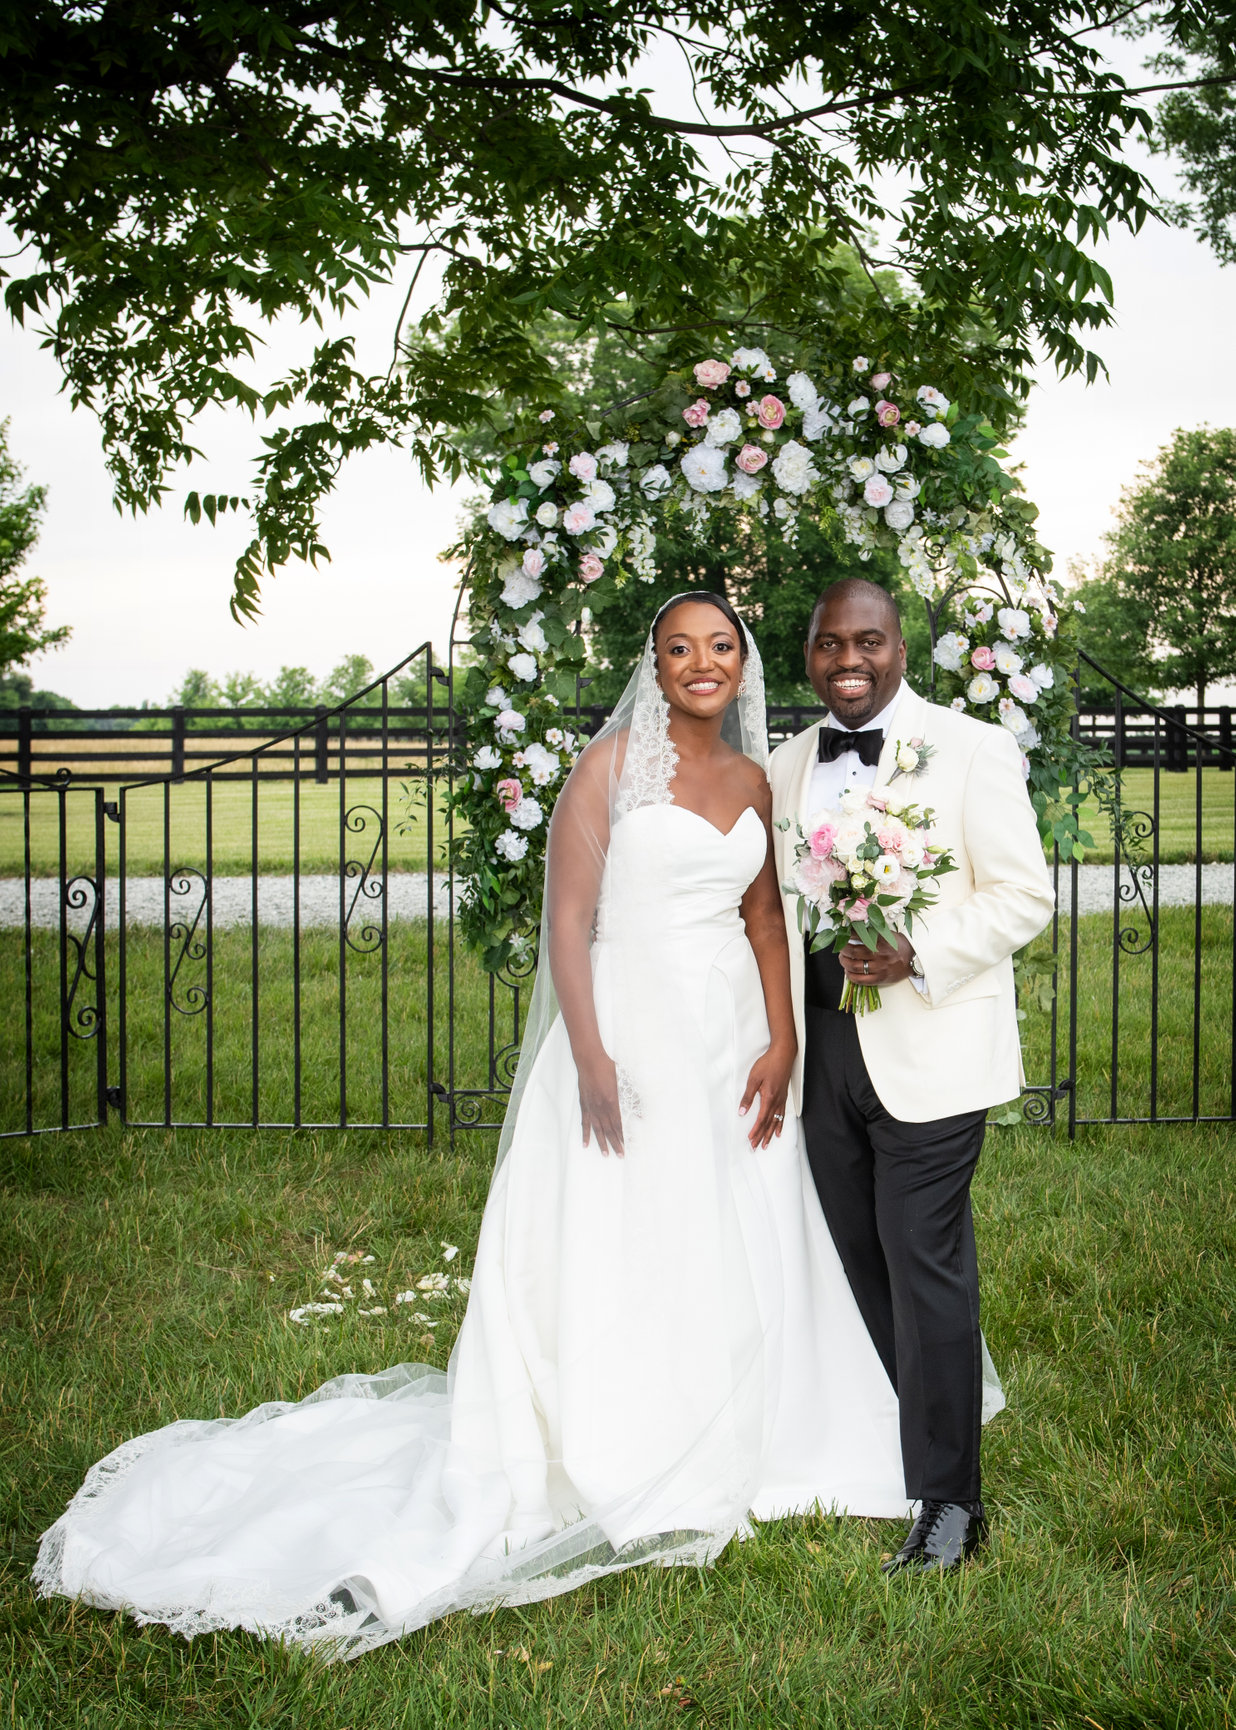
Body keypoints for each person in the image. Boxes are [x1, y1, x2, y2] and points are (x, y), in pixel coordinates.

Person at [35, 594, 910, 1659]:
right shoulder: (609, 769)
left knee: (735, 1220)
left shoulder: (754, 779)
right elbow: (568, 919)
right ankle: (614, 1421)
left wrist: (784, 1040)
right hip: (628, 1031)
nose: (701, 663)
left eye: (720, 647)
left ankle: (751, 1413)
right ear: (654, 664)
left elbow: (767, 915)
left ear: (744, 662)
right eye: (680, 648)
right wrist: (588, 1051)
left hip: (730, 1037)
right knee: (618, 1220)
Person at [769, 578, 1055, 1575]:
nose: (849, 658)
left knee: (923, 1256)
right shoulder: (785, 764)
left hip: (931, 1038)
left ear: (901, 648)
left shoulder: (973, 750)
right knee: (862, 1257)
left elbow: (1025, 892)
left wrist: (917, 950)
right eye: (828, 643)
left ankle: (950, 1502)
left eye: (869, 640)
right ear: (807, 654)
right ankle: (911, 1425)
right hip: (822, 1045)